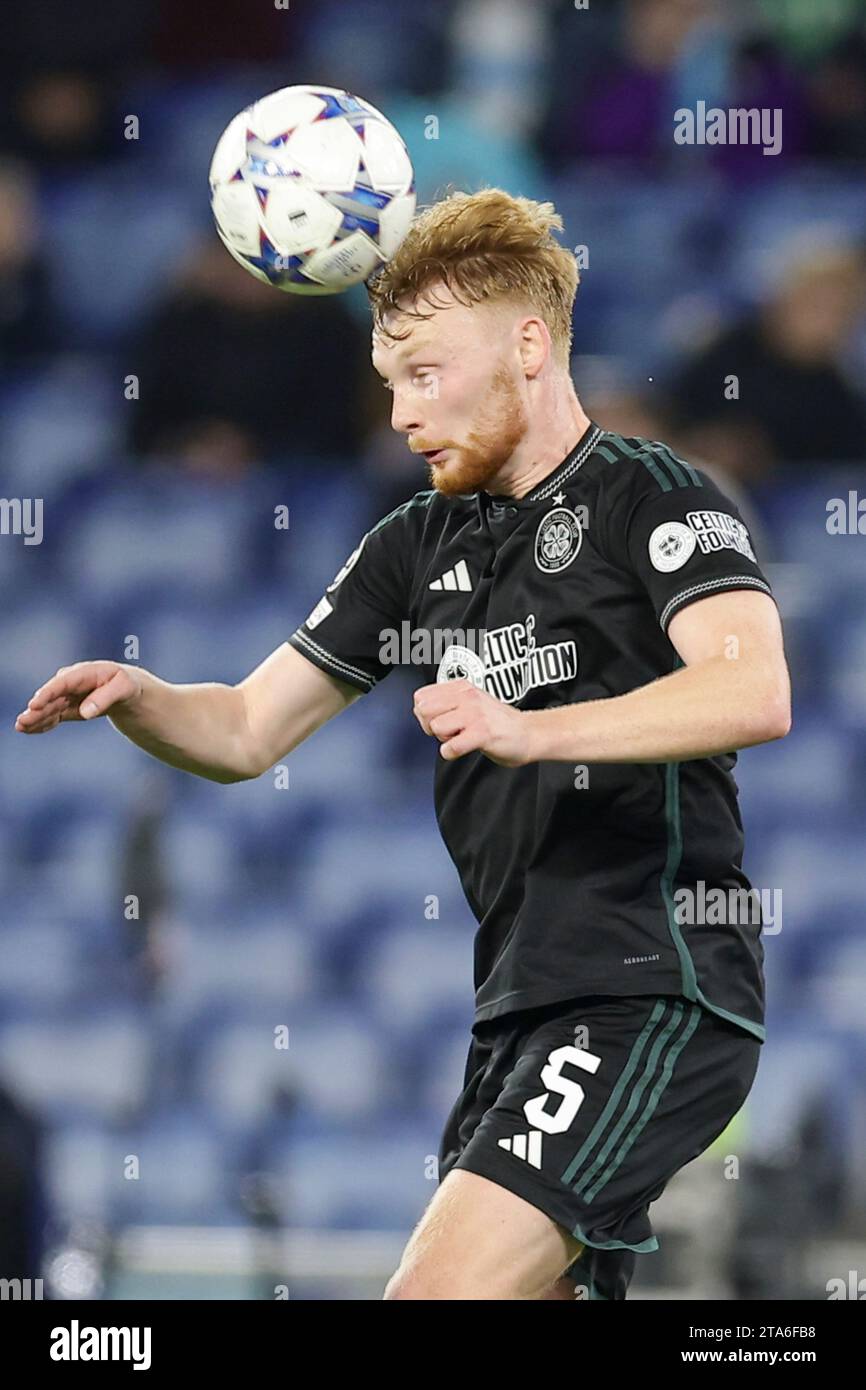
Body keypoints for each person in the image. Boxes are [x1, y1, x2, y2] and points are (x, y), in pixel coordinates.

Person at [16, 188, 792, 1301]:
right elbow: (245, 729)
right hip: (516, 1009)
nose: (400, 415)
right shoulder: (415, 545)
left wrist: (531, 728)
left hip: (650, 986)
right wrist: (144, 696)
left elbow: (752, 687)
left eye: (426, 374)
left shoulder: (650, 493)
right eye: (390, 383)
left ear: (528, 348)